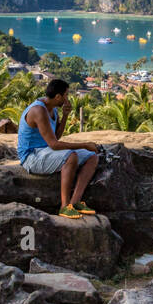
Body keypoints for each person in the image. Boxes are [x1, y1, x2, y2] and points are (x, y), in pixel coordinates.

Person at [17, 79, 102, 218]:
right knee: (71, 156)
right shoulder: (38, 110)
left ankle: (75, 202)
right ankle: (64, 206)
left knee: (92, 157)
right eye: (66, 95)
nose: (67, 98)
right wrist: (85, 144)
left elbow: (55, 136)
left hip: (45, 152)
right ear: (58, 97)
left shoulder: (53, 110)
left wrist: (65, 116)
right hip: (31, 157)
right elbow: (54, 144)